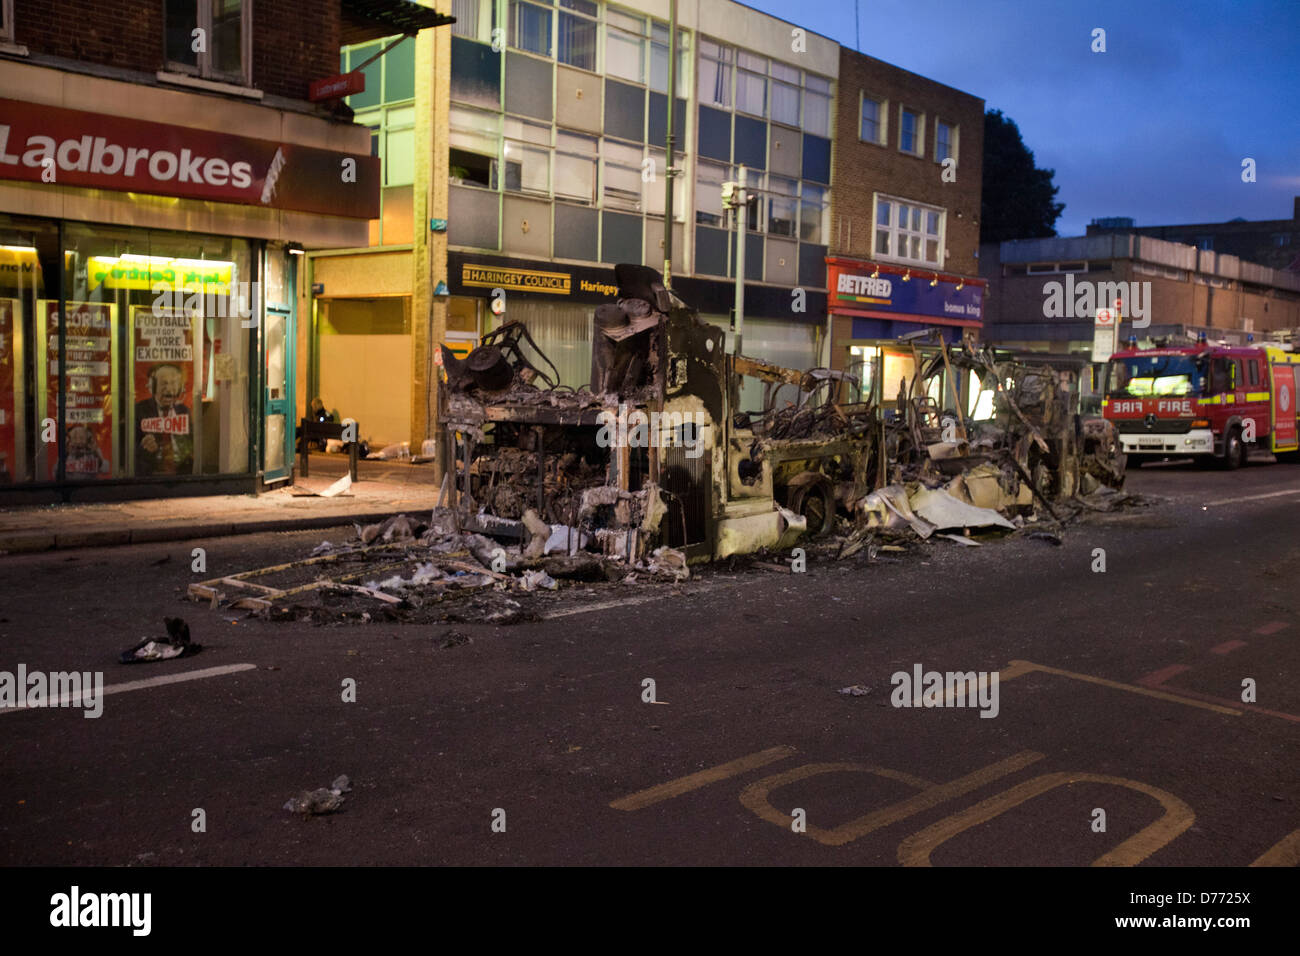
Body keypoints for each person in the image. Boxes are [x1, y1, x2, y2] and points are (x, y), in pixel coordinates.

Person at [135, 364, 194, 475]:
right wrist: (143, 448)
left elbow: (191, 444)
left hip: (181, 474)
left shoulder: (184, 411)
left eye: (173, 383)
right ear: (153, 387)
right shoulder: (139, 410)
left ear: (180, 388)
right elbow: (128, 451)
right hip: (150, 475)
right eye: (164, 383)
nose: (168, 388)